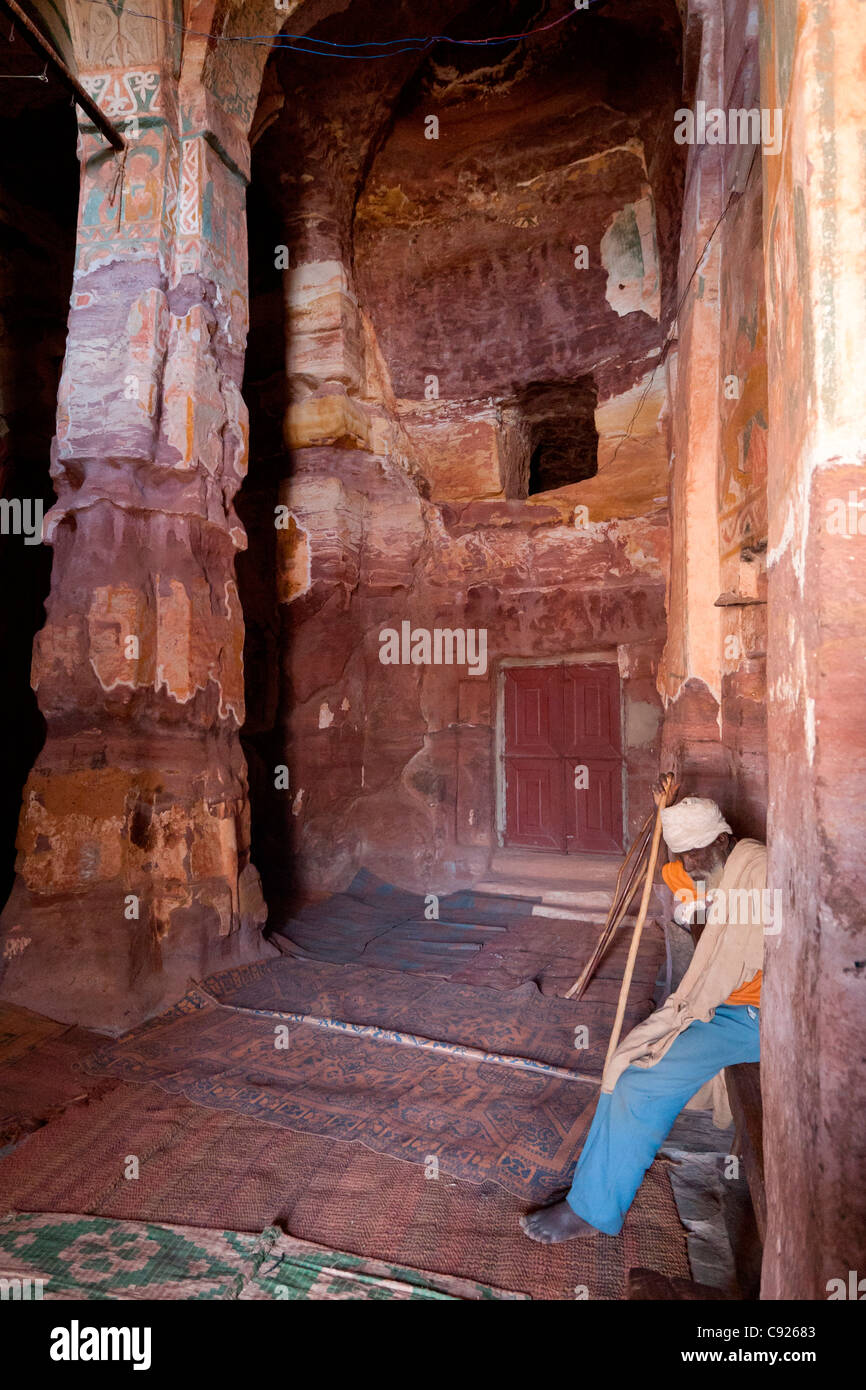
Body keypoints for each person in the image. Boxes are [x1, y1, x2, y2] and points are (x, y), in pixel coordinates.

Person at [520, 787, 766, 1244]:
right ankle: (590, 1190)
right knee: (625, 1060)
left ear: (722, 838)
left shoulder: (757, 870)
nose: (690, 863)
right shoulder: (718, 868)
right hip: (724, 1007)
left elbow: (750, 934)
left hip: (754, 1016)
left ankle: (592, 1211)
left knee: (638, 1083)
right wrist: (693, 883)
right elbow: (684, 882)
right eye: (683, 854)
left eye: (697, 852)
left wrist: (709, 902)